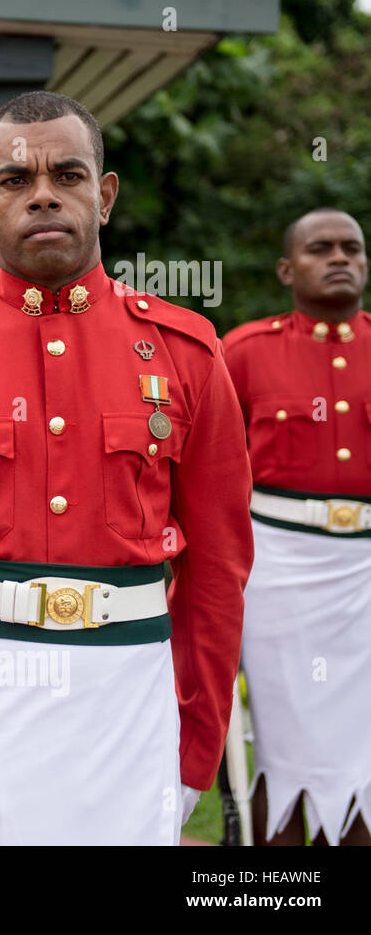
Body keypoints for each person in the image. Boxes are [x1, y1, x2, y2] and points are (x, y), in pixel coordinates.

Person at [0, 91, 253, 844]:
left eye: (67, 175)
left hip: (127, 695)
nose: (43, 194)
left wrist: (197, 736)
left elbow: (220, 567)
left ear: (102, 196)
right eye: (15, 180)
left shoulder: (188, 351)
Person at [223, 207, 370, 846]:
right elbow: (209, 470)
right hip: (277, 567)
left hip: (366, 568)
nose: (340, 258)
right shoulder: (245, 352)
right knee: (284, 740)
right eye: (320, 248)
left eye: (352, 248)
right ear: (287, 269)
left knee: (363, 743)